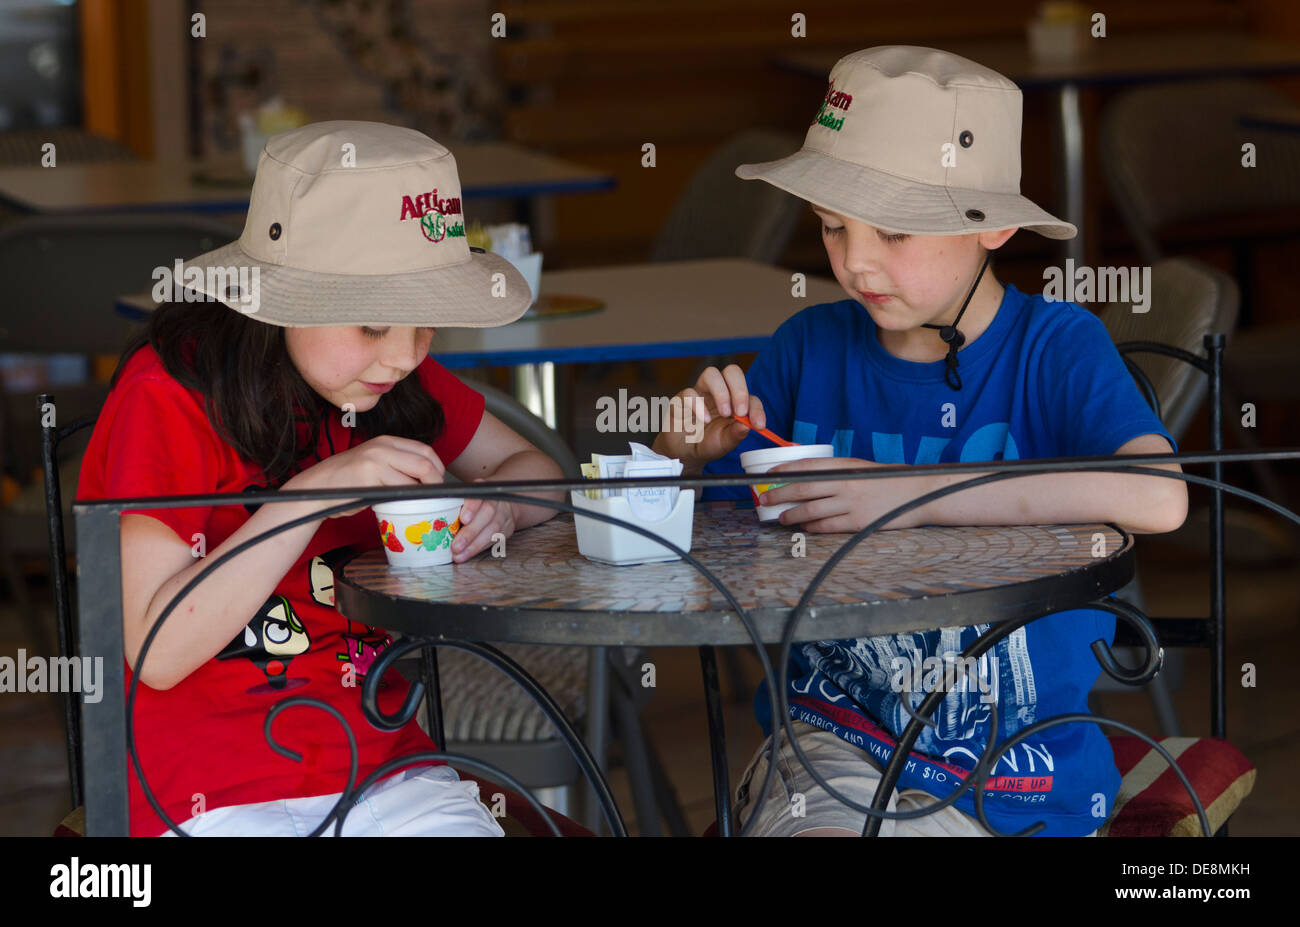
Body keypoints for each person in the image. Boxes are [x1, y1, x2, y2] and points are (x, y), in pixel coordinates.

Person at [652, 47, 1188, 837]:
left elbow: (1159, 494)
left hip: (1023, 773)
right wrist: (683, 451)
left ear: (995, 226)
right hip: (831, 740)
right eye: (833, 227)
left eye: (895, 232)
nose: (856, 261)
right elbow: (702, 533)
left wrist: (903, 493)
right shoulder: (807, 350)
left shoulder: (1056, 347)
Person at [77, 120, 565, 837]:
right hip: (202, 785)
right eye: (371, 325)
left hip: (383, 768)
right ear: (283, 298)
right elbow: (159, 650)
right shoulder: (169, 395)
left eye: (424, 324)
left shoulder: (390, 378)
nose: (402, 355)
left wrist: (501, 507)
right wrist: (314, 494)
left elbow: (541, 475)